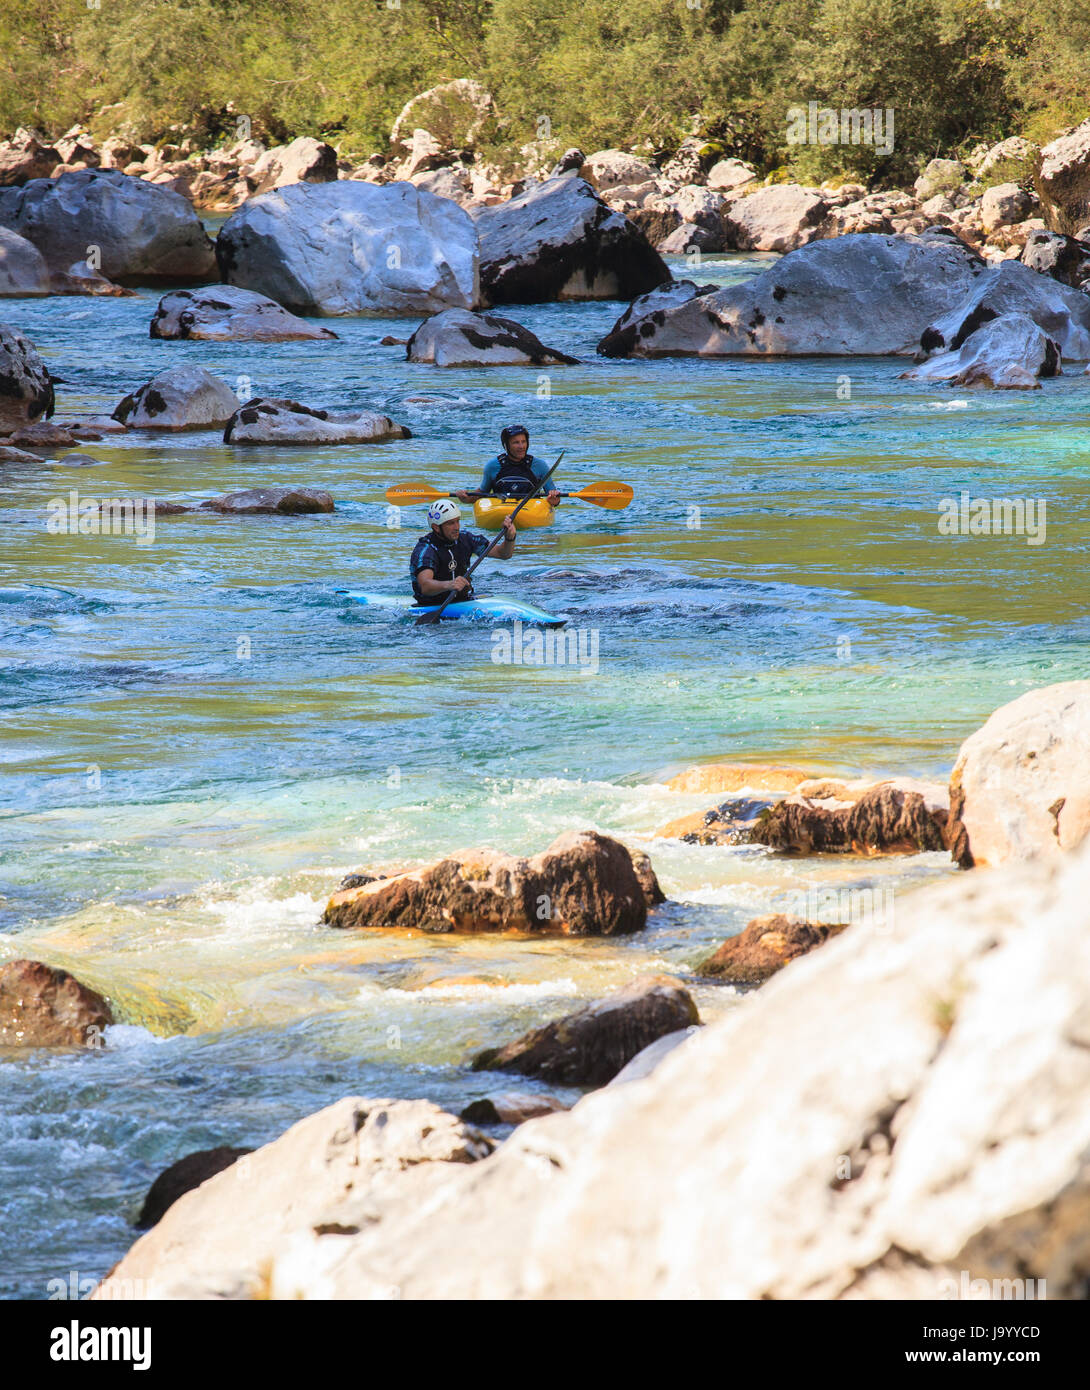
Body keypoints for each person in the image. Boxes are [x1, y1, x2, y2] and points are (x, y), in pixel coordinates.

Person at [409, 498, 517, 604]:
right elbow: (425, 586)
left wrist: (509, 538)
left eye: (457, 521)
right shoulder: (426, 549)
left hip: (463, 600)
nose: (457, 527)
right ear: (436, 527)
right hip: (432, 605)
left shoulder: (466, 539)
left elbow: (503, 554)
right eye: (451, 523)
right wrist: (450, 584)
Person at [455, 424, 561, 507]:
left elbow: (554, 499)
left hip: (530, 510)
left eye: (523, 442)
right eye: (516, 442)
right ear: (506, 445)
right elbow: (481, 494)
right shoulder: (492, 466)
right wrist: (465, 497)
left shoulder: (540, 466)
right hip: (501, 509)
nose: (521, 446)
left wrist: (554, 499)